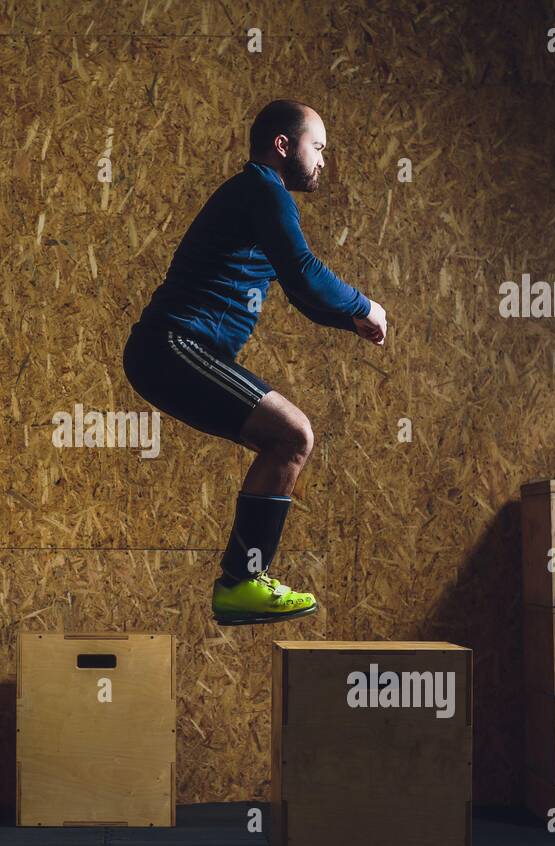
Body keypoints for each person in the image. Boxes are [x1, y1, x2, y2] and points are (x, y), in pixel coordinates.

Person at [122, 99, 388, 626]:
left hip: (176, 352)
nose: (323, 162)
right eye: (318, 148)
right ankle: (242, 581)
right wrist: (364, 305)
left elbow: (299, 290)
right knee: (293, 435)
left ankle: (241, 581)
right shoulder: (261, 189)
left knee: (286, 439)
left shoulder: (263, 199)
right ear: (283, 146)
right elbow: (306, 271)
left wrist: (348, 321)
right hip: (172, 346)